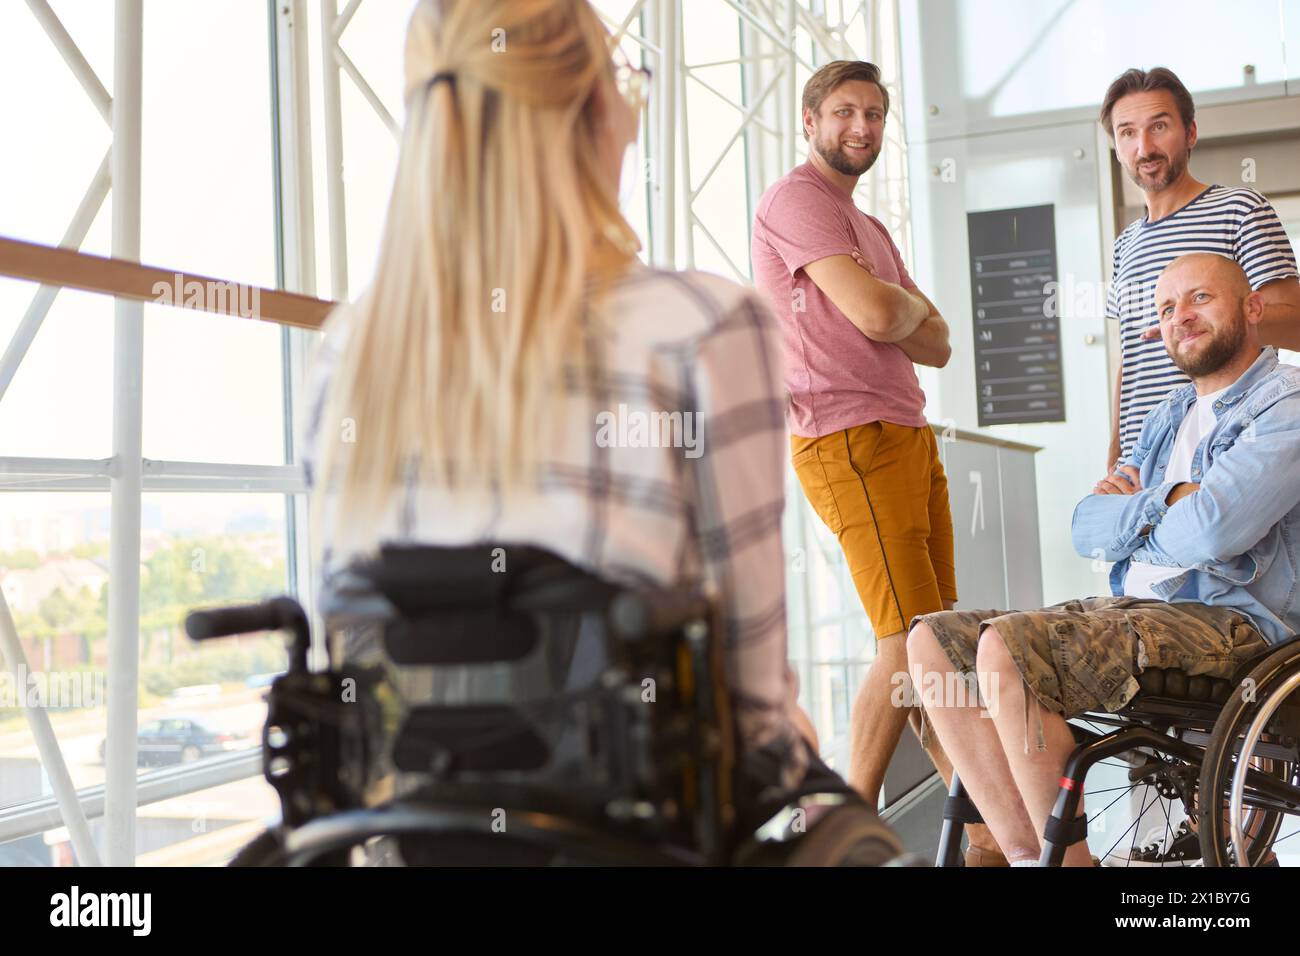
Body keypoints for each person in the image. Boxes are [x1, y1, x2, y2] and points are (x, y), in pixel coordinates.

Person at [298, 0, 843, 825]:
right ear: (594, 107)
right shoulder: (699, 328)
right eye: (626, 82)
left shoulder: (349, 354)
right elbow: (750, 705)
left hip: (402, 836)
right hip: (624, 831)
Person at [907, 253, 1300, 866]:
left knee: (1004, 650)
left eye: (1200, 298)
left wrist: (1135, 517)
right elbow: (1085, 527)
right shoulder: (1170, 414)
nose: (1181, 318)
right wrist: (1170, 500)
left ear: (1252, 308)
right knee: (931, 643)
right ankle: (1025, 856)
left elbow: (1215, 531)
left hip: (1236, 626)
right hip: (1135, 609)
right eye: (1167, 308)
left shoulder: (1287, 404)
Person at [749, 60, 1004, 865]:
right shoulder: (797, 201)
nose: (862, 127)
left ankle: (986, 830)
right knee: (908, 644)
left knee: (935, 646)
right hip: (847, 437)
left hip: (907, 434)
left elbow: (938, 340)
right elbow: (876, 309)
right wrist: (893, 307)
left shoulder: (870, 227)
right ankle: (841, 833)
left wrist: (899, 311)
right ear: (810, 120)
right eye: (845, 112)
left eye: (875, 115)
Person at [1100, 66, 1300, 471]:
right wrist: (1116, 451)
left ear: (1190, 133)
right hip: (1144, 457)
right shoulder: (1125, 244)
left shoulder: (1241, 210)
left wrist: (1210, 322)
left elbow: (1296, 322)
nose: (1144, 147)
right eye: (1127, 133)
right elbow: (1132, 355)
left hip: (1223, 442)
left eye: (1159, 127)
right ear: (1116, 147)